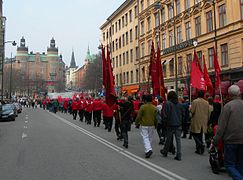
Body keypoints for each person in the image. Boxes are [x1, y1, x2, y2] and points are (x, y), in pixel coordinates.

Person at [214, 85, 243, 179]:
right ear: (239, 93)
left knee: (229, 164)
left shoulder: (228, 107)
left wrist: (215, 140)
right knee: (240, 164)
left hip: (231, 140)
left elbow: (221, 126)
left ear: (229, 95)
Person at [160, 91, 184, 161]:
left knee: (168, 139)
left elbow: (164, 114)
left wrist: (164, 122)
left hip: (170, 124)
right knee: (178, 139)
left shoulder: (167, 103)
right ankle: (179, 154)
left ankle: (165, 151)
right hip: (178, 123)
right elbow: (182, 114)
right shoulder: (179, 104)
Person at [135, 94, 157, 158]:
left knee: (145, 137)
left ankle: (148, 150)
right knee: (149, 137)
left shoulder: (143, 107)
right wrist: (156, 124)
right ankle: (147, 149)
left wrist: (136, 122)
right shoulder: (154, 107)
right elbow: (156, 117)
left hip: (144, 124)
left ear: (145, 100)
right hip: (152, 124)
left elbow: (139, 116)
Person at [190, 90, 210, 155]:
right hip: (204, 120)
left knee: (194, 133)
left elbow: (192, 111)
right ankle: (199, 149)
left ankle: (200, 145)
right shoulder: (206, 102)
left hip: (196, 119)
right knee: (200, 134)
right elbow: (208, 112)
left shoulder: (195, 101)